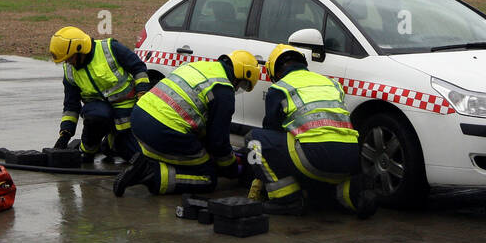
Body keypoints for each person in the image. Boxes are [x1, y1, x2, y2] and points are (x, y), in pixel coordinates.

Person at [245, 45, 376, 218]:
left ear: (275, 73)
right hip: (351, 157)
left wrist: (259, 175)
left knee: (254, 140)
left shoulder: (280, 88)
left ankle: (287, 200)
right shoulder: (332, 84)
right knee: (321, 181)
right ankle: (353, 195)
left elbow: (271, 130)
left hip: (314, 157)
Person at [113, 51, 259, 197]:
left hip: (139, 116)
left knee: (194, 154)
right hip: (162, 129)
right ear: (239, 76)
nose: (238, 89)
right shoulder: (223, 89)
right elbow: (218, 143)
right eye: (243, 85)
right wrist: (232, 168)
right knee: (207, 176)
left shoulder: (200, 66)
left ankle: (146, 164)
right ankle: (152, 174)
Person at [49, 26, 150, 162]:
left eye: (69, 58)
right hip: (98, 112)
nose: (68, 63)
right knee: (96, 116)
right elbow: (71, 106)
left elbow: (139, 68)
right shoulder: (70, 71)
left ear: (80, 50)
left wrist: (142, 95)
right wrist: (65, 135)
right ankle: (88, 150)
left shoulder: (110, 48)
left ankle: (110, 144)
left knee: (137, 158)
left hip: (127, 113)